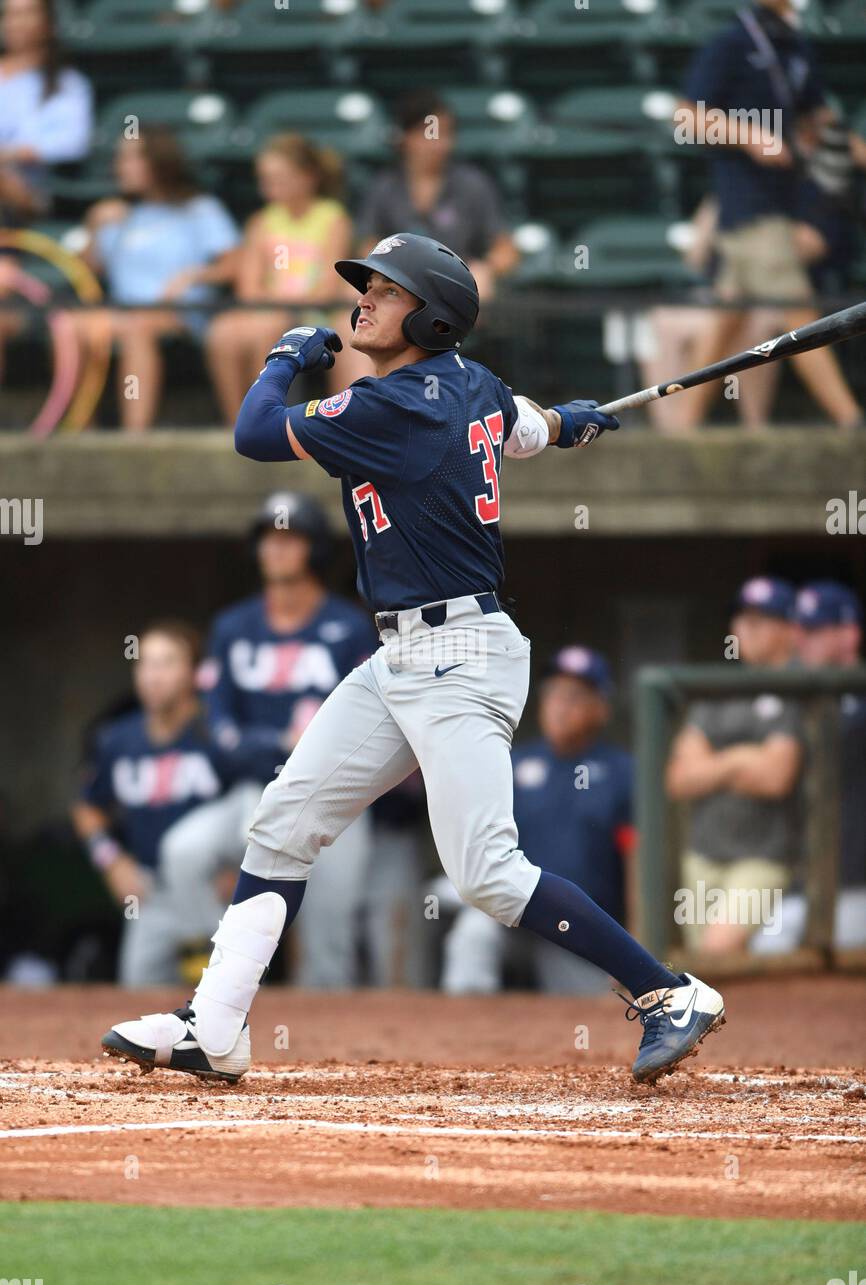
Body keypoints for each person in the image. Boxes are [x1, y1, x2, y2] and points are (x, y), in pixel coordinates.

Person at [102, 231, 725, 1087]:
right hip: (400, 654)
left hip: (460, 654)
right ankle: (214, 1026)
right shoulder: (474, 388)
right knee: (282, 825)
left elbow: (252, 433)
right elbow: (526, 426)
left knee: (488, 874)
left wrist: (285, 357)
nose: (363, 299)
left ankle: (668, 994)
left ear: (431, 318)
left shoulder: (391, 407)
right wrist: (570, 421)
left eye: (385, 291)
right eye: (366, 285)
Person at [160, 490, 378, 989]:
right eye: (267, 539)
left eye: (290, 538)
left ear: (315, 549)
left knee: (329, 936)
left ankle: (335, 1050)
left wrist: (297, 744)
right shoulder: (232, 627)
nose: (275, 550)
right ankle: (207, 987)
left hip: (333, 798)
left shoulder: (347, 627)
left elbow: (369, 727)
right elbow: (219, 734)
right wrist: (286, 739)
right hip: (252, 794)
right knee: (183, 851)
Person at [674, 0, 862, 428]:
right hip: (750, 210)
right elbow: (685, 116)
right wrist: (749, 135)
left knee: (725, 320)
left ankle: (681, 430)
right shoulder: (732, 42)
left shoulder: (793, 43)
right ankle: (852, 423)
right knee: (798, 314)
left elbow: (821, 121)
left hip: (783, 202)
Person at [442, 647, 634, 996]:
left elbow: (638, 860)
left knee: (594, 1010)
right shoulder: (512, 761)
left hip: (581, 925)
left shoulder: (623, 772)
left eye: (575, 697)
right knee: (473, 934)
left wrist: (635, 941)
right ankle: (460, 1034)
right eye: (553, 694)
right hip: (512, 911)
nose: (561, 705)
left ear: (601, 709)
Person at [71, 621, 235, 985]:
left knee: (221, 998)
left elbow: (255, 804)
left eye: (167, 663)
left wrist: (243, 872)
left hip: (211, 892)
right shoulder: (117, 738)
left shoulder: (218, 732)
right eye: (144, 663)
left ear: (196, 673)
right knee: (139, 1000)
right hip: (151, 894)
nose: (153, 676)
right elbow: (87, 808)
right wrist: (111, 861)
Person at [666, 577, 804, 953]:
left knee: (718, 949)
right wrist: (742, 759)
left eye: (761, 621)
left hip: (767, 856)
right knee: (705, 967)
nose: (745, 629)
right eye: (743, 619)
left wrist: (712, 765)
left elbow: (776, 778)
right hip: (704, 853)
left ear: (790, 629)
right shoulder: (720, 690)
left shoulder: (802, 687)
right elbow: (679, 779)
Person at [75, 126, 239, 430]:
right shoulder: (118, 214)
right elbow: (86, 272)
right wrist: (94, 227)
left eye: (130, 158)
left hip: (183, 315)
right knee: (72, 325)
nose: (119, 167)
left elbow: (234, 264)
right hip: (121, 312)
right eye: (119, 159)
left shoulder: (199, 209)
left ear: (158, 161)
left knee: (137, 327)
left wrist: (195, 275)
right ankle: (79, 429)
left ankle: (135, 436)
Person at [207, 134, 366, 422]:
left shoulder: (333, 219)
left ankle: (275, 421)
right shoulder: (261, 222)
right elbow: (249, 289)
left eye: (278, 178)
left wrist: (279, 304)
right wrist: (276, 304)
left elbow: (327, 288)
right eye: (265, 179)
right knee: (222, 332)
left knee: (270, 329)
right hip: (269, 311)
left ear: (307, 178)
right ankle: (239, 423)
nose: (268, 187)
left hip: (318, 314)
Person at [753, 580, 866, 953]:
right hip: (798, 879)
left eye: (814, 631)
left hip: (857, 883)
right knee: (765, 952)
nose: (801, 640)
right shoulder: (790, 698)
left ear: (849, 635)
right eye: (798, 630)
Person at [356, 90, 519, 302]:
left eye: (447, 133)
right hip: (396, 282)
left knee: (479, 282)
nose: (439, 143)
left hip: (456, 283)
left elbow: (505, 249)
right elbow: (367, 243)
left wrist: (485, 268)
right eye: (429, 132)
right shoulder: (384, 186)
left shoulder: (473, 184)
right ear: (405, 137)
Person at [0, 0, 92, 225]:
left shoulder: (68, 84)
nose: (16, 23)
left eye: (26, 14)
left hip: (33, 193)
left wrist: (14, 154)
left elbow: (72, 143)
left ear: (48, 24)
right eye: (10, 15)